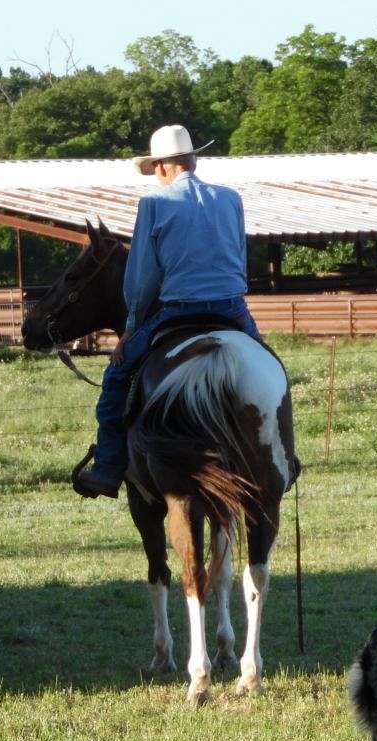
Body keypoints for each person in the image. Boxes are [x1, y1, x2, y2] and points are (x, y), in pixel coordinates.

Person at [72, 124, 262, 499]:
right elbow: (239, 256)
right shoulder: (231, 198)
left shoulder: (155, 204)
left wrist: (131, 327)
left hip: (178, 310)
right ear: (194, 159)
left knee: (117, 378)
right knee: (269, 368)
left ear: (160, 167)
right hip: (231, 307)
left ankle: (108, 466)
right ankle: (282, 459)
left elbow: (142, 276)